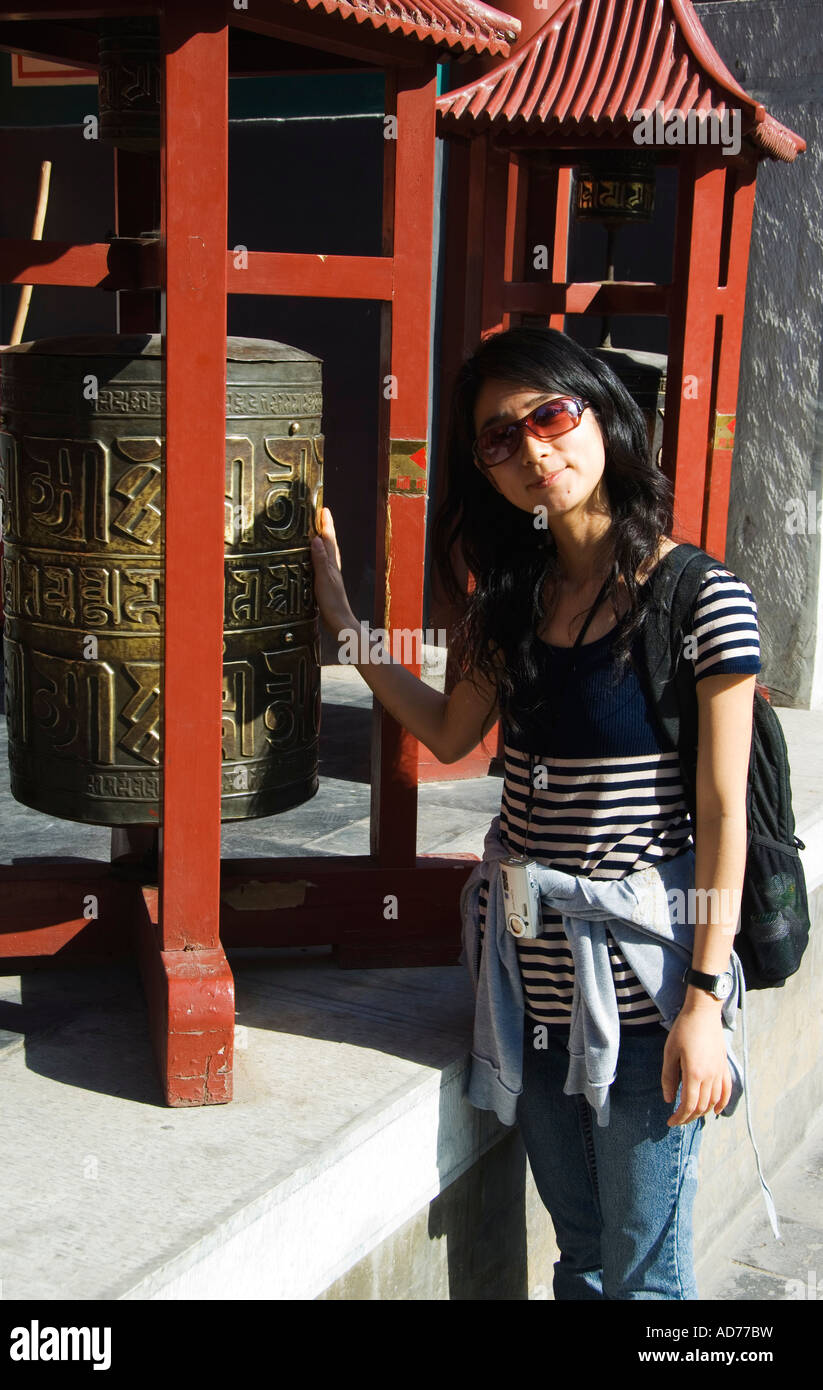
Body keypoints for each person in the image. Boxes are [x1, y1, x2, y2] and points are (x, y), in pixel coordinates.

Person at [309, 325, 761, 1300]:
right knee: (582, 1256)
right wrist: (344, 622)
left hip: (646, 987)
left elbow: (722, 811)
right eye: (497, 439)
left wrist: (703, 1004)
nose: (531, 451)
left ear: (601, 415)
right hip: (532, 988)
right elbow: (443, 726)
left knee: (644, 1277)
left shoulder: (697, 598)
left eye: (549, 416)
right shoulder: (509, 604)